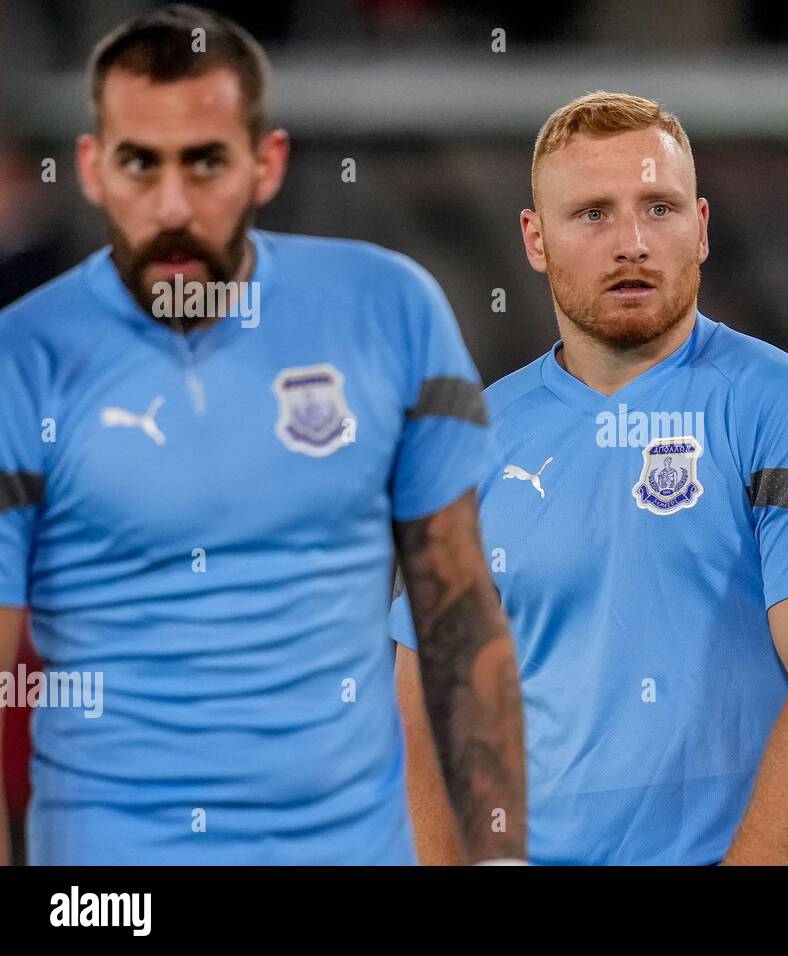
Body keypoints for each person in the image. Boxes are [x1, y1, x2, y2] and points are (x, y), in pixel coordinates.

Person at [0, 4, 524, 865]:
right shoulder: (24, 361)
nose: (172, 206)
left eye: (205, 163)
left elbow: (459, 615)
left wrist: (499, 855)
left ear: (265, 163)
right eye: (141, 164)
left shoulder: (386, 309)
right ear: (93, 168)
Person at [391, 92, 788, 865]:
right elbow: (424, 711)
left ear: (701, 227)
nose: (631, 241)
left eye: (658, 209)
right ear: (535, 238)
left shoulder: (785, 407)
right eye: (592, 213)